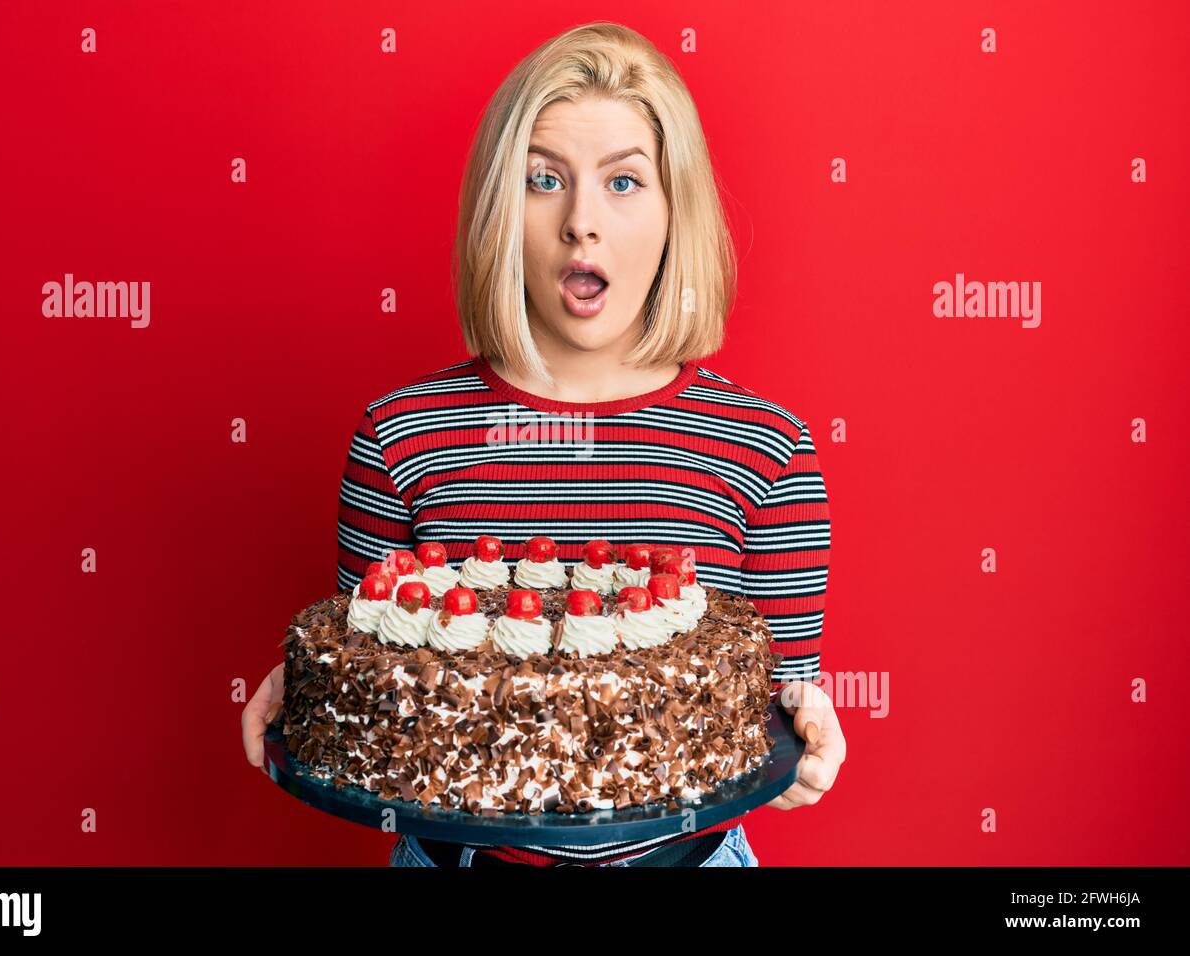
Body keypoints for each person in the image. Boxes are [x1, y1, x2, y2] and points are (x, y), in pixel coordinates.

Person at [242, 21, 845, 866]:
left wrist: (809, 733)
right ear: (499, 208)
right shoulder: (399, 439)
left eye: (626, 181)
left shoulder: (765, 449)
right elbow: (371, 673)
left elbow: (776, 706)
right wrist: (305, 691)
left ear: (679, 212)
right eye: (543, 180)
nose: (582, 224)